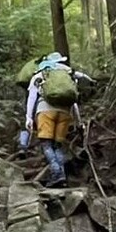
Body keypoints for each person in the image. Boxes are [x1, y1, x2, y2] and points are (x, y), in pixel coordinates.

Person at [24, 52, 83, 187]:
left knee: (46, 144)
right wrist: (79, 122)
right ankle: (61, 177)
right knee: (58, 145)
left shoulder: (40, 75)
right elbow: (74, 101)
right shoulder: (68, 77)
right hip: (65, 113)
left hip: (45, 111)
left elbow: (32, 97)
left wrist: (28, 117)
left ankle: (57, 173)